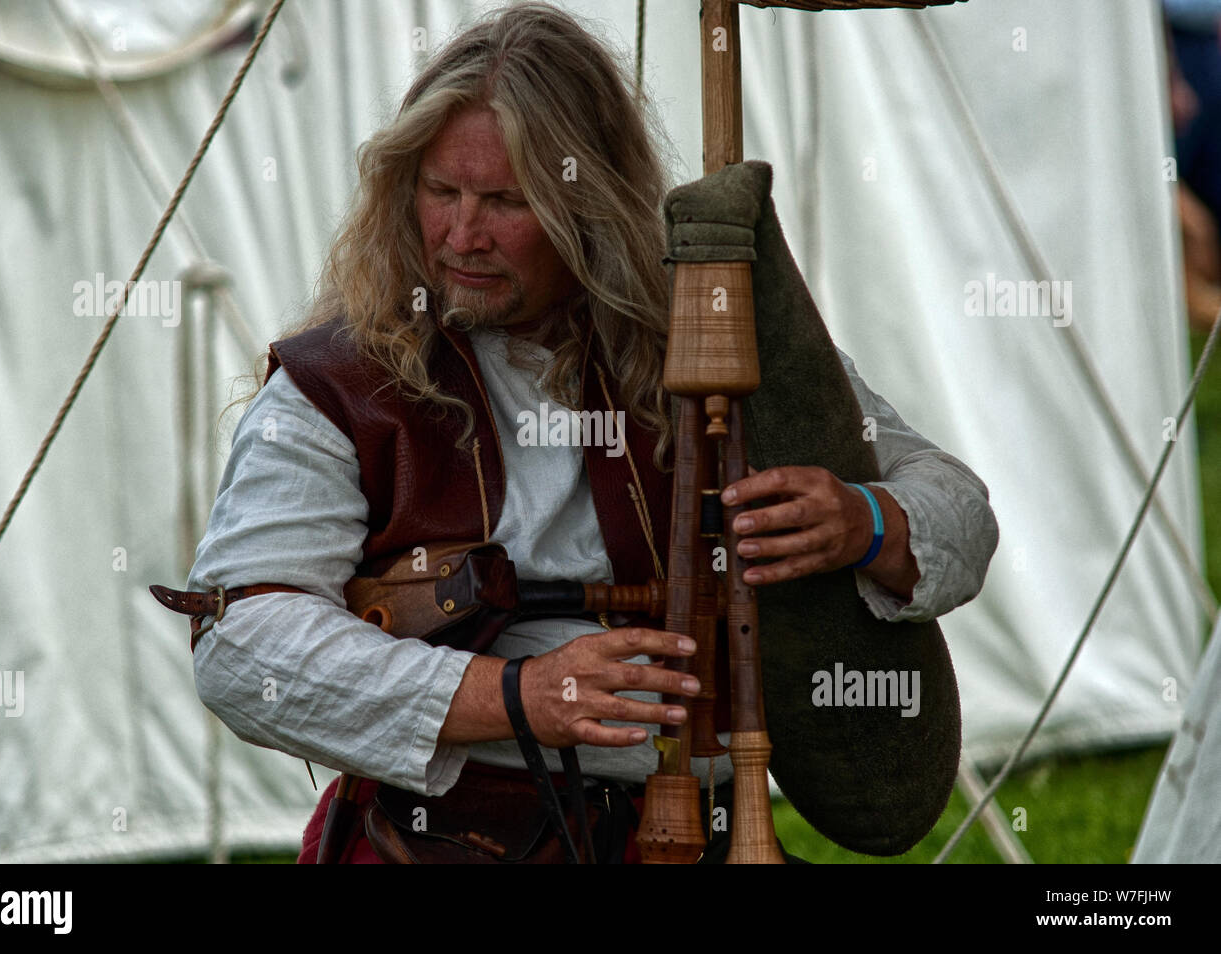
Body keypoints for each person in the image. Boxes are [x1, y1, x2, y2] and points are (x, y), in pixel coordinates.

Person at [181, 2, 997, 862]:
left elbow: (961, 510)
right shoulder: (341, 386)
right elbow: (242, 640)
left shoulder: (708, 342)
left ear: (589, 201)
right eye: (440, 191)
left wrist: (867, 522)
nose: (462, 235)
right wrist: (514, 694)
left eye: (505, 201)